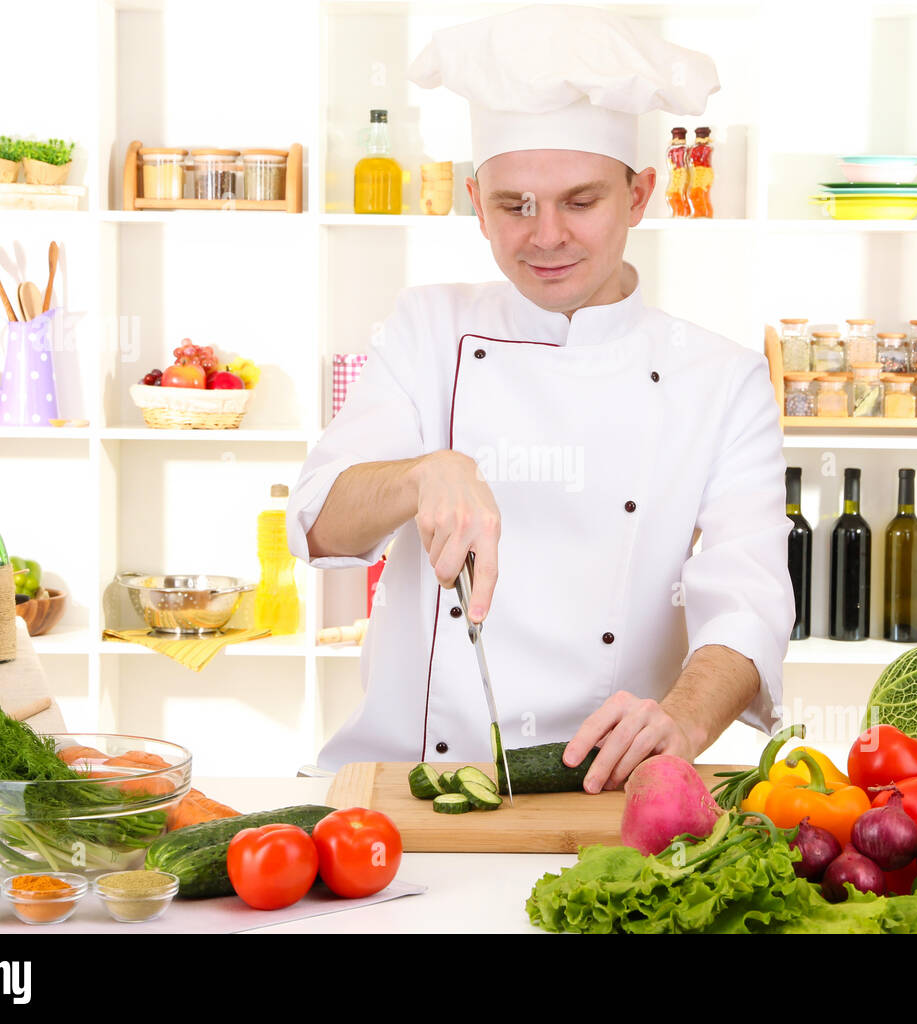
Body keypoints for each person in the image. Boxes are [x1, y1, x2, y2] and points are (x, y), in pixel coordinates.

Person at [288, 5, 792, 792]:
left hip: (610, 786)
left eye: (580, 201)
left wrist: (686, 721)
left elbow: (750, 593)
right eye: (513, 205)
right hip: (410, 783)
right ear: (474, 198)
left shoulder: (722, 379)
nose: (545, 235)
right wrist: (422, 474)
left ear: (642, 194)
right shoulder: (428, 326)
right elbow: (320, 521)